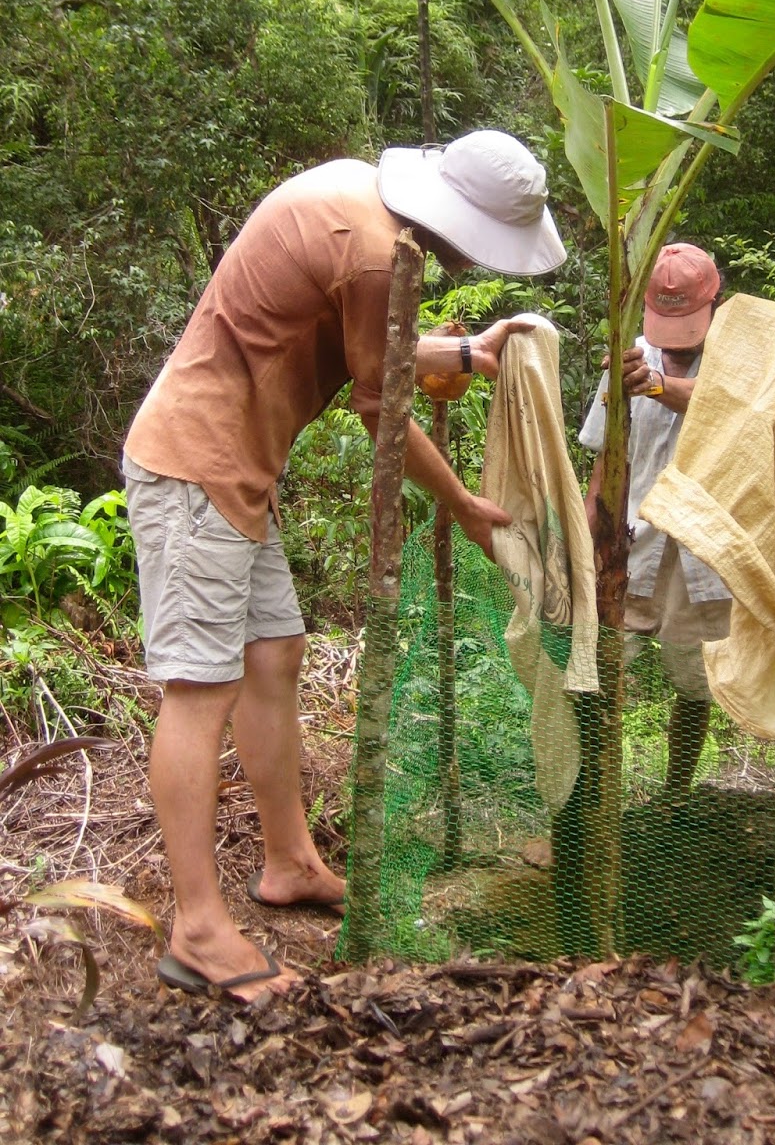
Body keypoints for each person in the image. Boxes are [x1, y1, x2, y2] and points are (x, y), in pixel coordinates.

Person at [123, 131, 565, 999]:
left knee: (274, 653)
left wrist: (473, 351)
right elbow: (384, 405)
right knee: (199, 686)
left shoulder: (356, 198)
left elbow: (382, 356)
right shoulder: (373, 255)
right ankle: (200, 929)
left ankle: (288, 862)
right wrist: (468, 508)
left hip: (237, 471)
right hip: (196, 467)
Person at [580, 243, 730, 801]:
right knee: (597, 681)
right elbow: (603, 461)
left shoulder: (738, 360)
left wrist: (657, 386)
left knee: (695, 688)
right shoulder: (629, 357)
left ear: (713, 303)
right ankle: (592, 809)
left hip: (703, 559)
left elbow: (720, 403)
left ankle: (675, 797)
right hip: (631, 549)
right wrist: (591, 540)